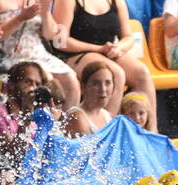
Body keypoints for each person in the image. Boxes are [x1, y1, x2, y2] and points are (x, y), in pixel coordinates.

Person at [51, 0, 157, 131]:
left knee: (142, 73)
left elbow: (128, 37)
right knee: (115, 73)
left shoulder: (117, 2)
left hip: (106, 51)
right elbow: (59, 41)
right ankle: (107, 134)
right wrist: (98, 49)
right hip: (73, 54)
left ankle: (150, 134)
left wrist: (119, 47)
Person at [0, 0, 80, 107]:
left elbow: (51, 35)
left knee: (70, 80)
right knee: (45, 78)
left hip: (36, 52)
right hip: (7, 54)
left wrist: (45, 10)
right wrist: (20, 18)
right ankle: (33, 120)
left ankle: (67, 122)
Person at [0, 59, 45, 159]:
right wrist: (26, 115)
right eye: (28, 82)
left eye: (37, 84)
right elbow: (12, 156)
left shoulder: (37, 118)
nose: (33, 89)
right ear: (11, 84)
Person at [63, 59, 114, 136]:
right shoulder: (77, 117)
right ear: (83, 87)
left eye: (108, 83)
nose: (103, 89)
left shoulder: (108, 116)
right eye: (96, 83)